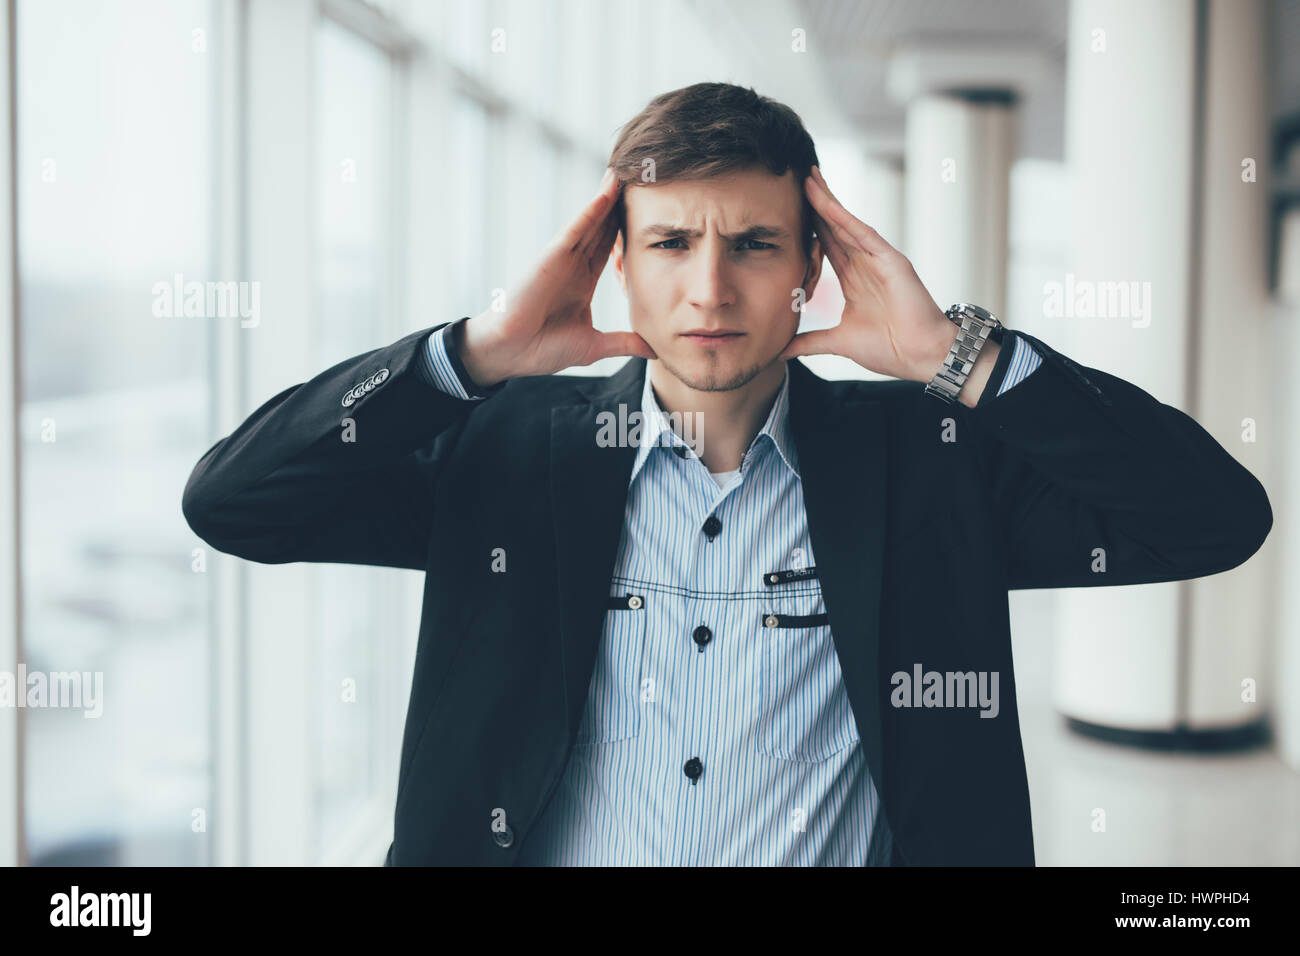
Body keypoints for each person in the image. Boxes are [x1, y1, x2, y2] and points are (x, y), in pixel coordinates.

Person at [181, 82, 1272, 866]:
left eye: (754, 243)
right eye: (669, 244)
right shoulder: (504, 445)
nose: (710, 289)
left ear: (813, 265)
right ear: (616, 260)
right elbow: (237, 500)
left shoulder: (929, 460)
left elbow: (1213, 519)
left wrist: (961, 355)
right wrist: (464, 357)